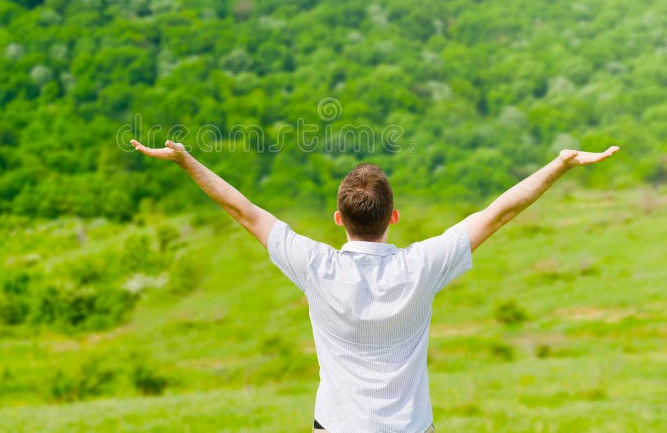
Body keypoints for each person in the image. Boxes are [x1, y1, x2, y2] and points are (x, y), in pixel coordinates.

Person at [130, 137, 619, 433]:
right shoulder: (422, 265)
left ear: (338, 218)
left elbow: (243, 211)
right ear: (394, 217)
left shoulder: (316, 265)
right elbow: (499, 212)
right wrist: (560, 164)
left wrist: (186, 161)